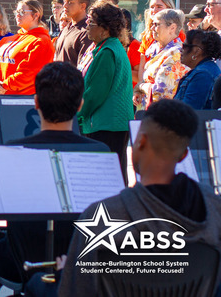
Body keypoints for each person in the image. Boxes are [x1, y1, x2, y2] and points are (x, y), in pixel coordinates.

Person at [0, 62, 110, 297]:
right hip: (77, 261)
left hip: (20, 260)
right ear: (80, 105)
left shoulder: (12, 151)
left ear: (35, 103)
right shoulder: (101, 152)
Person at [59, 99, 221, 297]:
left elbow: (75, 291)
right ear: (183, 155)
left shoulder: (99, 219)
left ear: (141, 141)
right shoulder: (215, 211)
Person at [77, 1, 134, 183]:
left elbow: (95, 94)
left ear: (105, 29)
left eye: (91, 22)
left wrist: (77, 116)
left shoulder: (108, 51)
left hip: (106, 126)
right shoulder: (104, 47)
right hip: (110, 124)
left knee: (107, 179)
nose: (86, 25)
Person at [0, 0, 54, 95]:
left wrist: (3, 86)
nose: (17, 15)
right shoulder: (6, 40)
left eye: (22, 12)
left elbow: (28, 74)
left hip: (21, 102)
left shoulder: (42, 42)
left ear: (36, 15)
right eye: (16, 12)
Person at [135, 9, 189, 109]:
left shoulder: (176, 53)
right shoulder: (161, 50)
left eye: (156, 24)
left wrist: (140, 87)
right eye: (152, 24)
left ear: (172, 28)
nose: (152, 28)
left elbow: (161, 92)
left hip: (164, 116)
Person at [137, 0, 183, 83]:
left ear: (169, 8)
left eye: (159, 7)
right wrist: (140, 86)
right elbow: (142, 66)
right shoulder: (147, 35)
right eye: (152, 7)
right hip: (146, 85)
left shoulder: (177, 34)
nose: (154, 10)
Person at [174, 29, 221, 109]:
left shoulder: (203, 75)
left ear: (197, 51)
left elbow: (188, 111)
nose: (181, 50)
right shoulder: (205, 70)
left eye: (184, 46)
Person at [54, 0, 91, 66]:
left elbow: (83, 69)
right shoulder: (66, 28)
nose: (65, 6)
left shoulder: (87, 33)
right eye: (64, 2)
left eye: (70, 2)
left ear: (83, 6)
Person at [122, 9, 142, 85]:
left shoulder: (134, 45)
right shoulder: (112, 43)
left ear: (126, 23)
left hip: (129, 93)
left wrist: (117, 70)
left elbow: (139, 76)